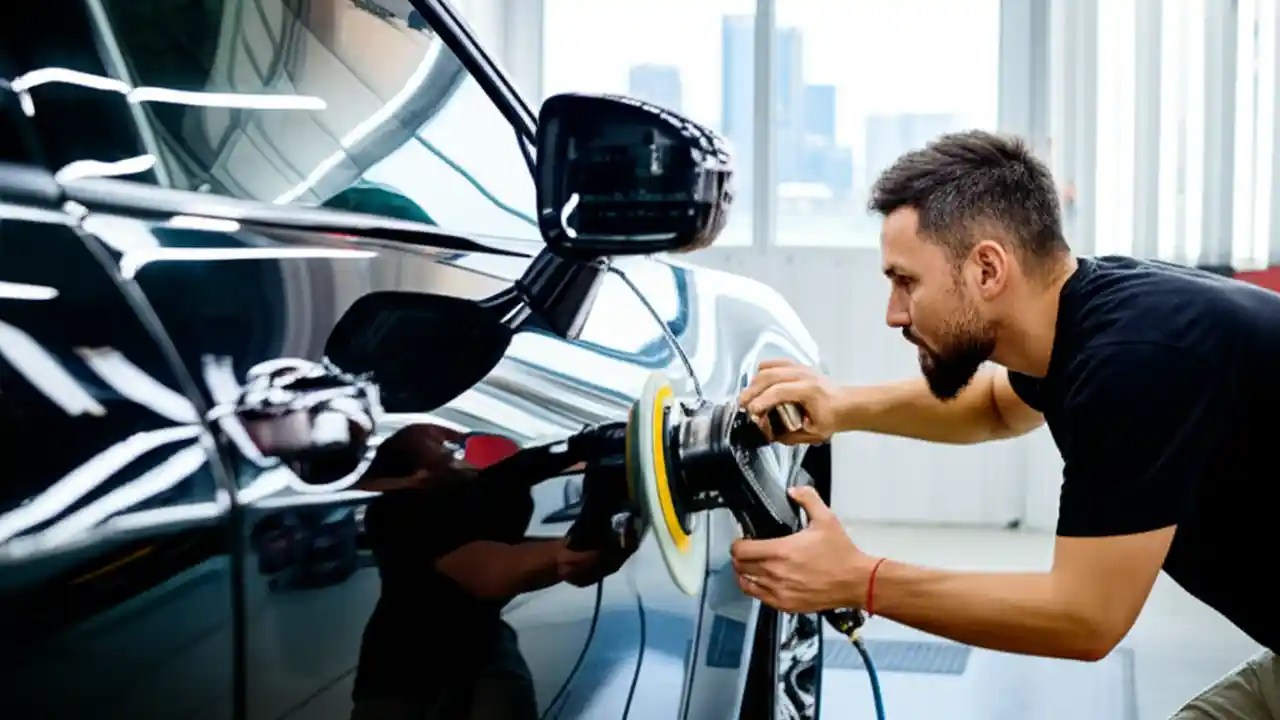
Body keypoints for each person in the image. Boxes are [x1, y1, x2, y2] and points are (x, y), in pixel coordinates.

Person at [730, 129, 1280, 718]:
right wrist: (842, 406)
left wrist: (861, 580)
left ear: (988, 268)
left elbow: (1084, 618)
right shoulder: (1088, 315)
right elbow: (996, 405)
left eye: (905, 281)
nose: (893, 313)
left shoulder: (1135, 363)